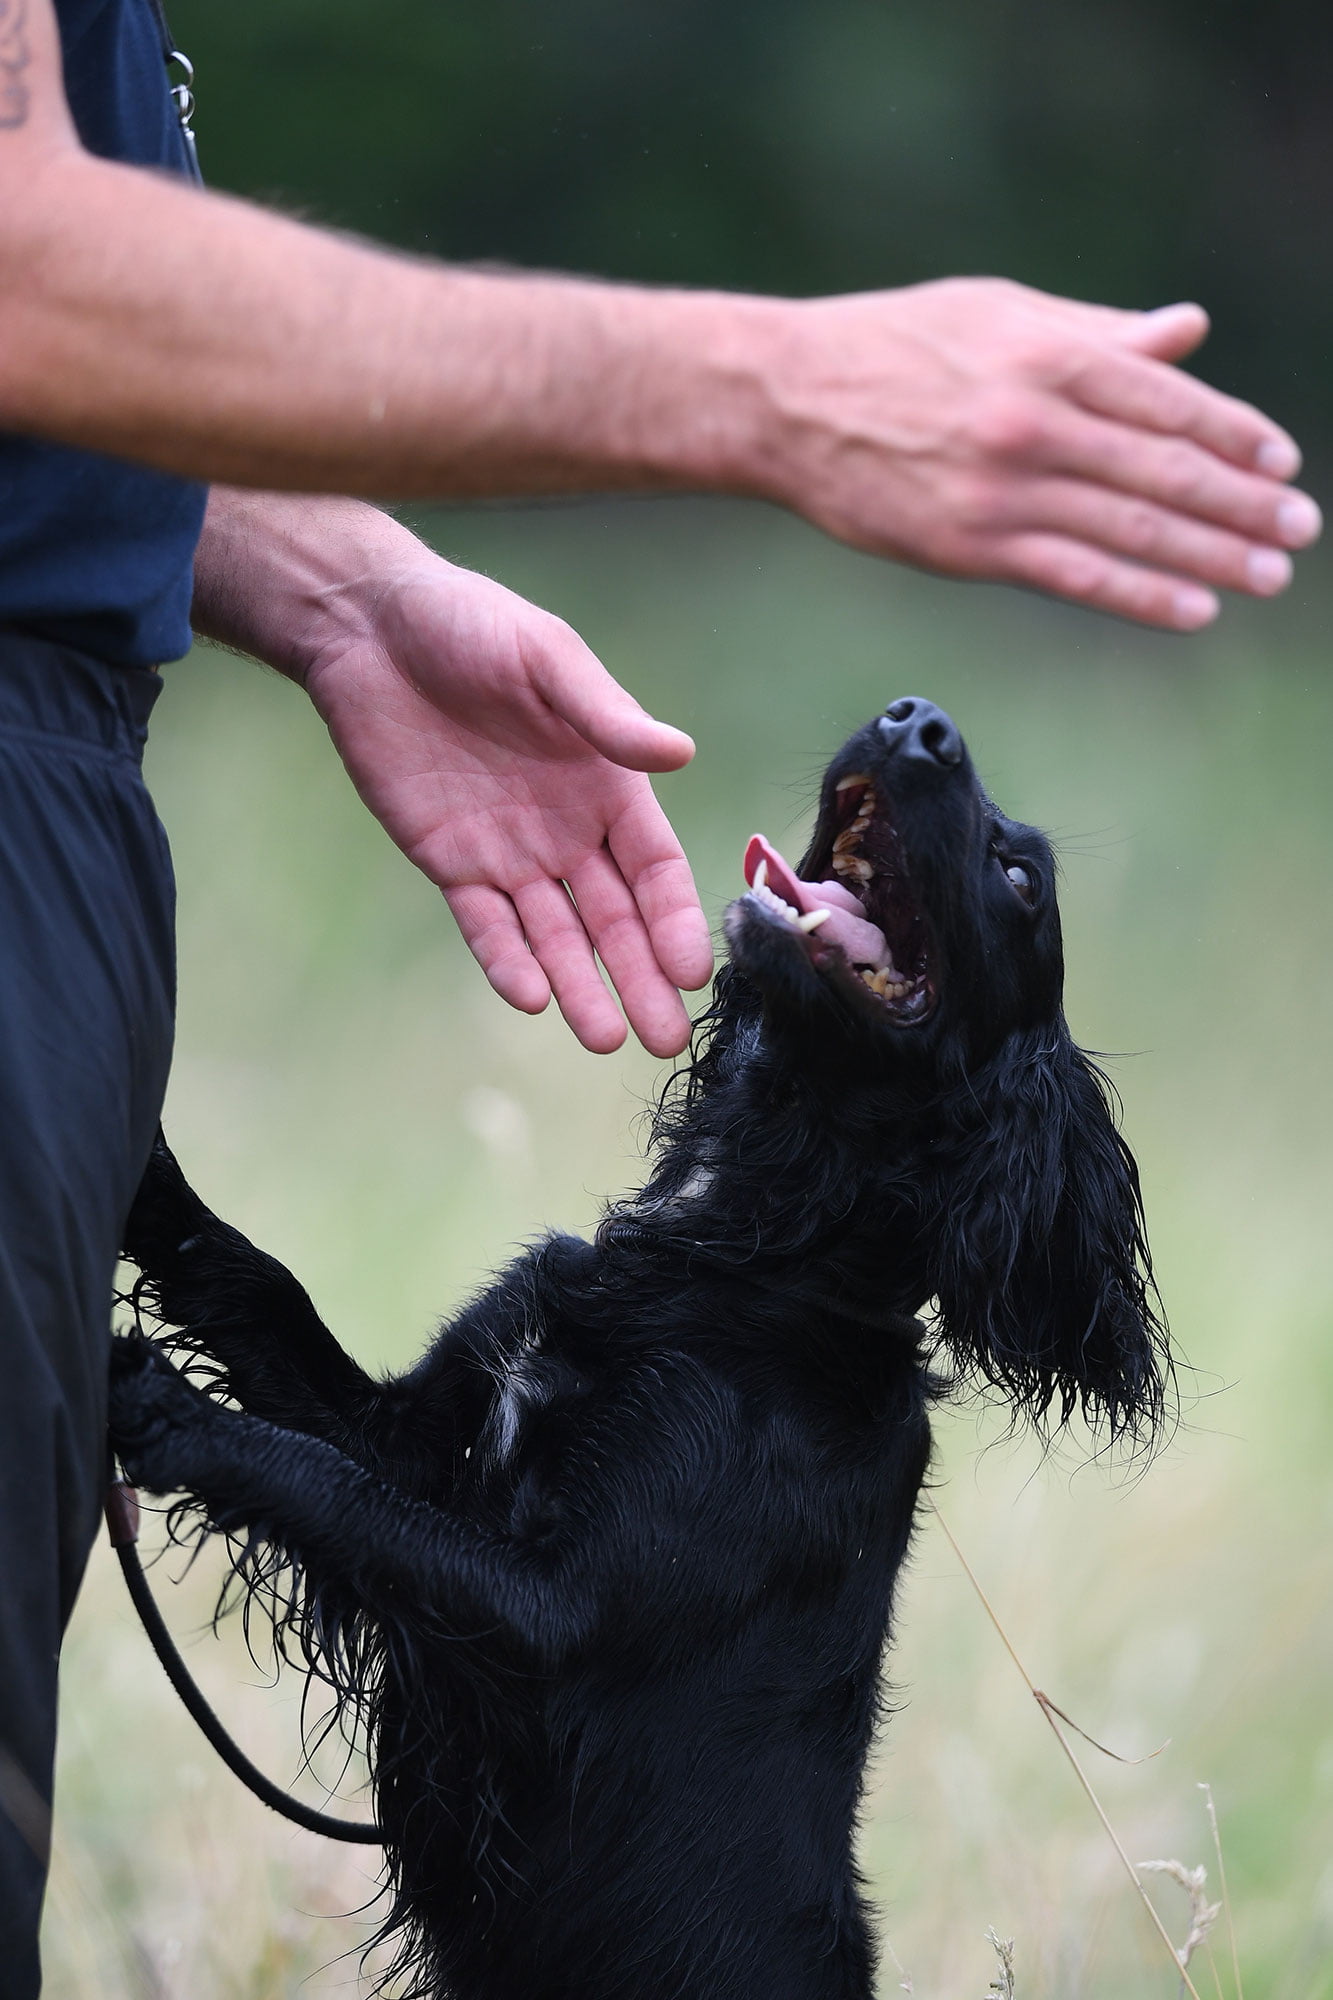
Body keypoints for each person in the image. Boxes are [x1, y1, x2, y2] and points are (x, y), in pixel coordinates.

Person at [0, 0, 1320, 1988]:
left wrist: (146, 1303)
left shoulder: (796, 1404)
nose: (922, 739)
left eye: (1009, 889)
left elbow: (523, 1610)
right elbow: (32, 262)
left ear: (988, 1103)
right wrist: (763, 385)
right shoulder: (661, 1320)